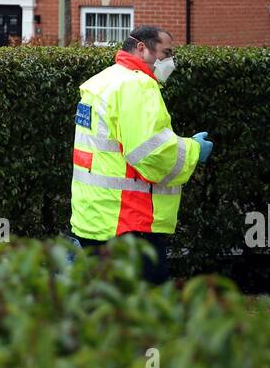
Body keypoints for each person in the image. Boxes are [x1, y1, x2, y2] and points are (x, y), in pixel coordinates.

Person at [70, 24, 212, 284]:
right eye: (166, 53)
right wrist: (194, 149)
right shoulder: (136, 86)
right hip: (128, 223)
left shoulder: (104, 81)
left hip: (93, 218)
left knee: (107, 307)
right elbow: (152, 154)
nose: (170, 61)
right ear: (141, 48)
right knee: (144, 310)